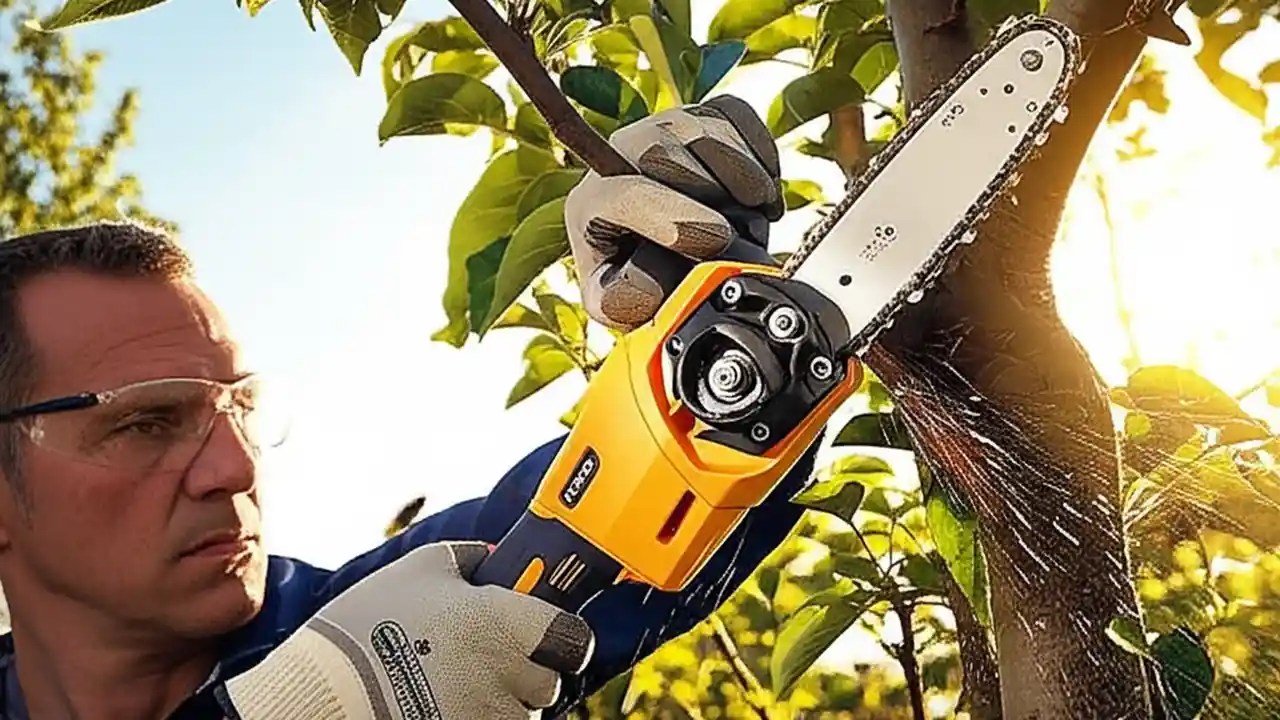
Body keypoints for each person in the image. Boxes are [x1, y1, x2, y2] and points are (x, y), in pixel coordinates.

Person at [0, 95, 826, 719]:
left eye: (240, 410)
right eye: (146, 422)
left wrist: (717, 338)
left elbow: (597, 515)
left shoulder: (405, 612)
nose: (237, 467)